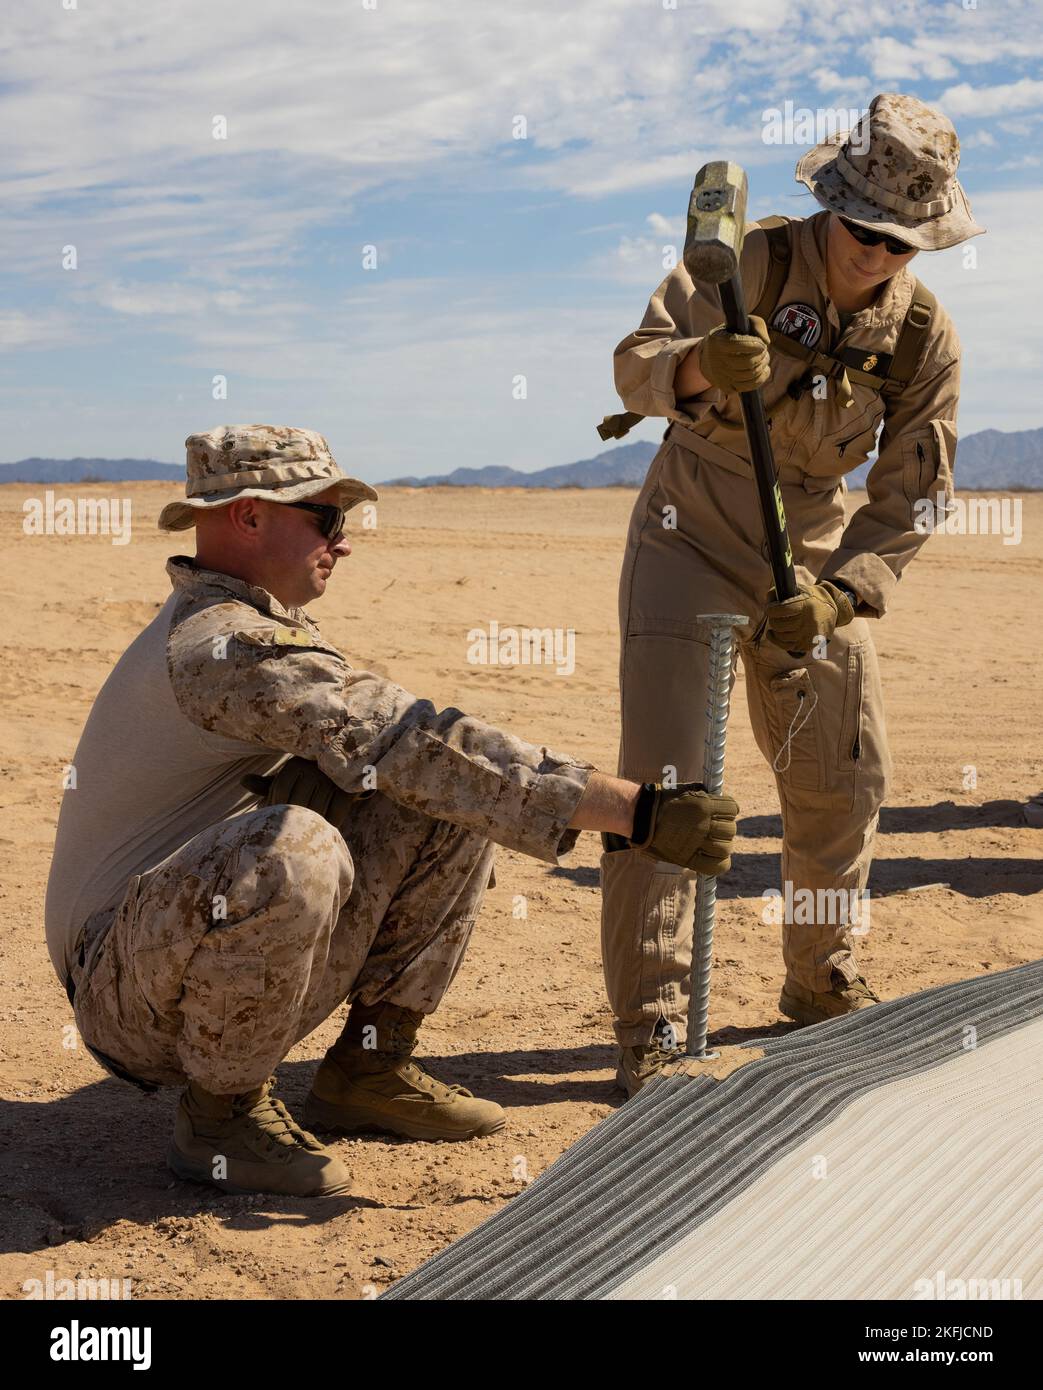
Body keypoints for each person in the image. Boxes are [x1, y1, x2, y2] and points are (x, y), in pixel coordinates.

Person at [44, 424, 739, 1198]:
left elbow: (419, 765)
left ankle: (368, 1068)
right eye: (328, 519)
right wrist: (637, 814)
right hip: (125, 996)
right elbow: (404, 737)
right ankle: (220, 1118)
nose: (342, 544)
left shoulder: (247, 622)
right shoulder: (223, 647)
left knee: (440, 799)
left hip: (163, 950)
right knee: (298, 845)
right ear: (249, 515)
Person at [599, 92, 985, 1096]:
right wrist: (694, 366)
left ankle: (818, 978)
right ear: (829, 205)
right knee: (673, 787)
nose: (874, 254)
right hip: (688, 524)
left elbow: (911, 494)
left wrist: (840, 594)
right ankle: (647, 1026)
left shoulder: (921, 338)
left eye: (901, 243)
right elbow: (629, 367)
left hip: (807, 548)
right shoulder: (747, 263)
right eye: (861, 231)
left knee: (840, 774)